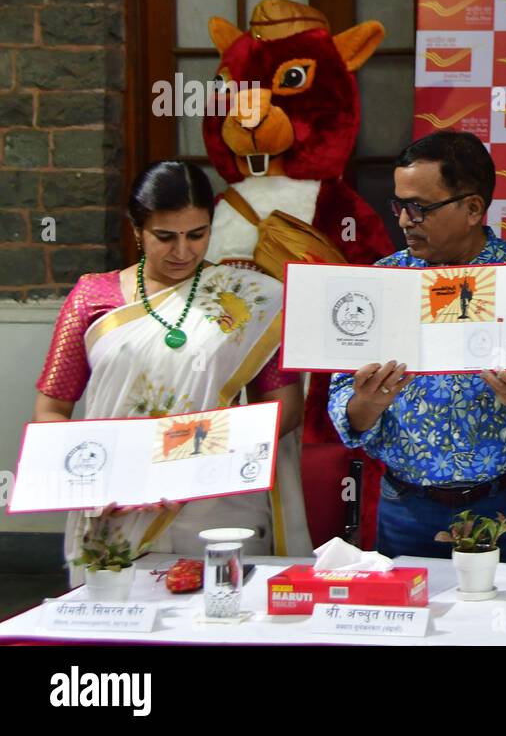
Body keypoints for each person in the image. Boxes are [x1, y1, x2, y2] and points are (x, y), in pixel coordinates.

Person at [34, 161, 306, 583]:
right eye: (165, 237)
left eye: (197, 235)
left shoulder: (250, 300)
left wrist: (184, 456)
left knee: (218, 624)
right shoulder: (92, 298)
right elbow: (51, 408)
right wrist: (96, 479)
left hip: (216, 500)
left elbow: (284, 408)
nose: (183, 251)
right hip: (117, 504)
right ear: (137, 229)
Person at [326, 132, 506, 563]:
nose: (404, 221)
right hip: (406, 507)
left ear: (472, 208)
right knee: (411, 628)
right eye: (399, 205)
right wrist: (369, 402)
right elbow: (344, 405)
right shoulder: (383, 280)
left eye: (419, 208)